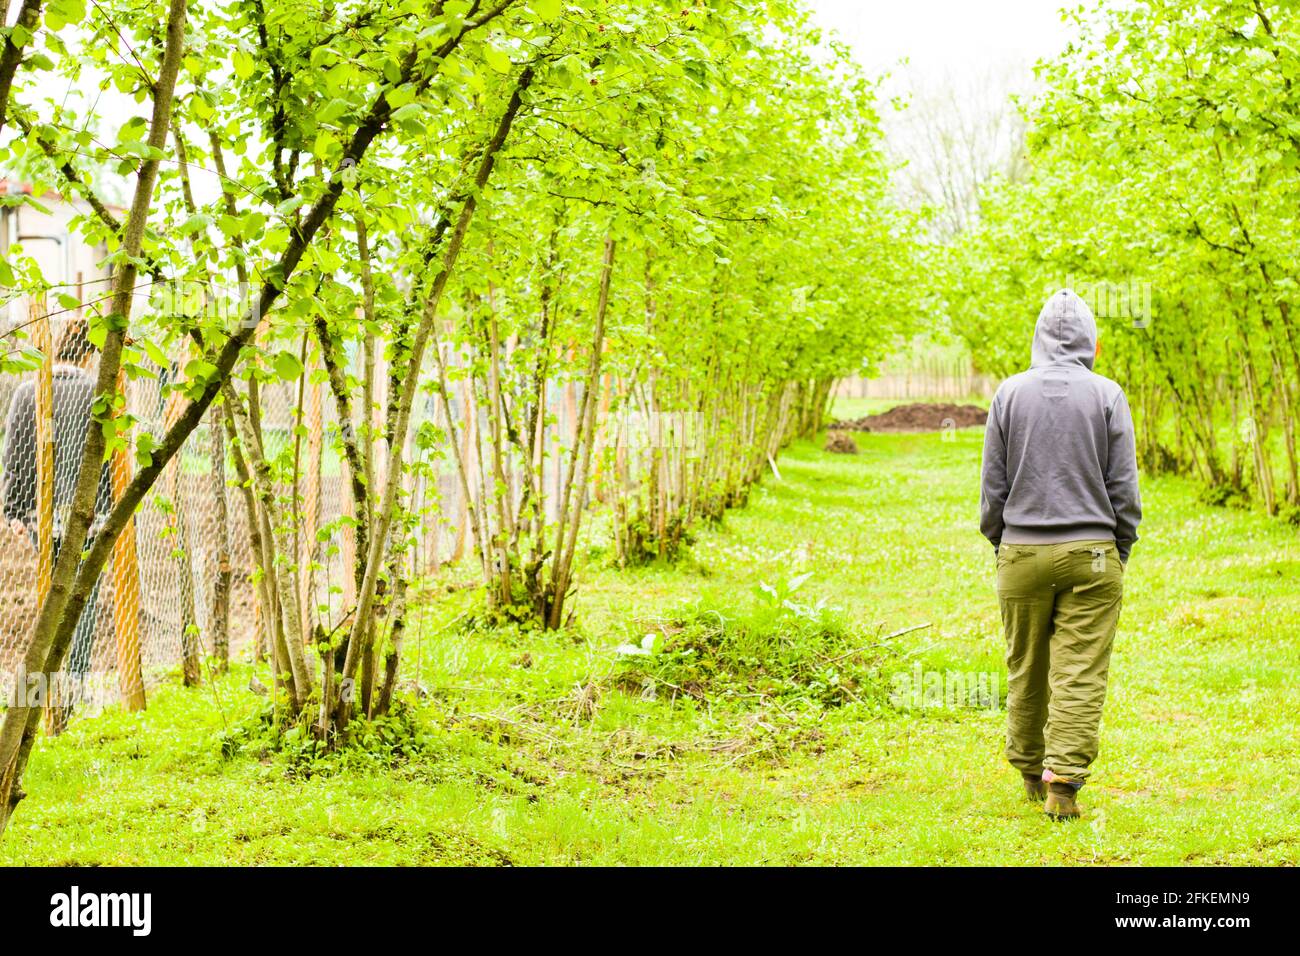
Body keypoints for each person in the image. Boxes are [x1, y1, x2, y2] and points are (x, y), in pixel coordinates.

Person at [979, 289, 1142, 821]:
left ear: (1038, 339)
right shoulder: (1108, 395)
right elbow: (1124, 491)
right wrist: (1117, 549)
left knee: (1027, 664)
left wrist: (1002, 543)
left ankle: (1030, 770)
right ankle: (1063, 787)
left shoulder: (1008, 394)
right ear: (1092, 344)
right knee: (1079, 672)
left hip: (1022, 550)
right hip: (1093, 555)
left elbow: (993, 491)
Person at [2, 318, 113, 729]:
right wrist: (107, 509)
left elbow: (13, 455)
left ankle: (45, 690)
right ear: (87, 354)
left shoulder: (28, 392)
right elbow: (107, 459)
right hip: (89, 516)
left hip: (40, 518)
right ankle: (75, 688)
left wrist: (13, 510)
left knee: (50, 598)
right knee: (82, 601)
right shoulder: (97, 394)